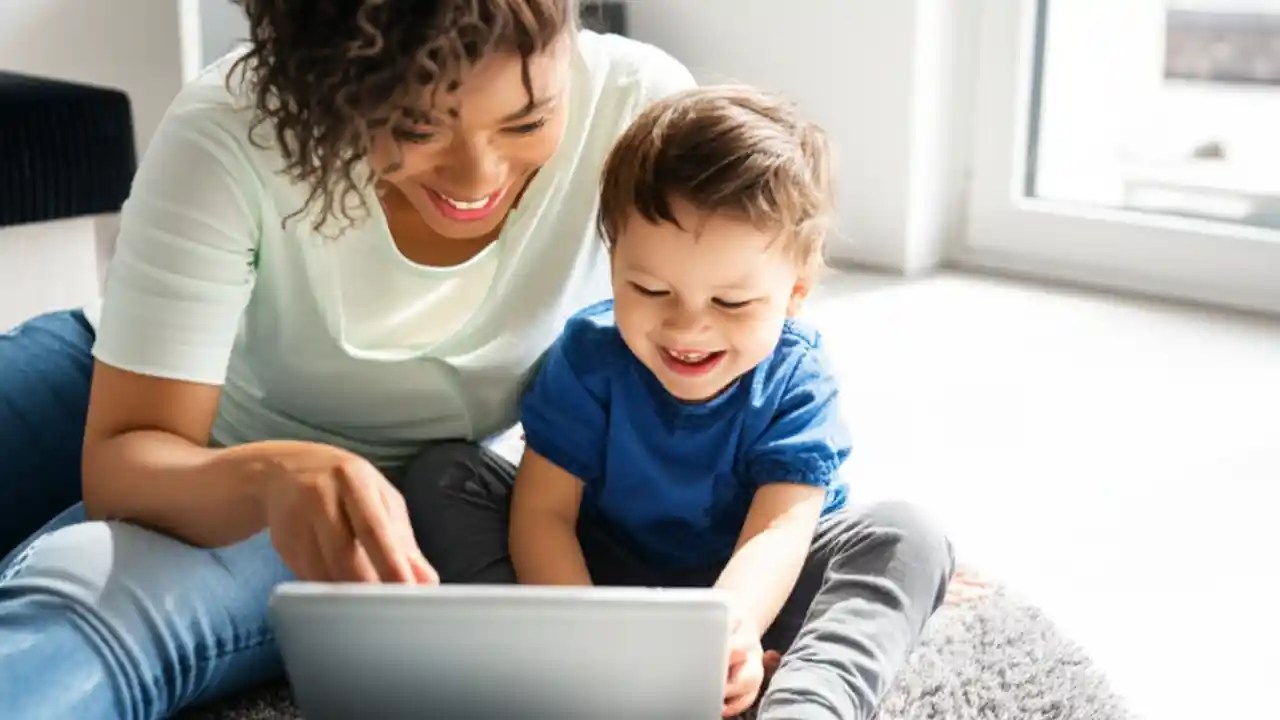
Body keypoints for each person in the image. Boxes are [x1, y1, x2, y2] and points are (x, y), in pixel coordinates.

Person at [0, 3, 952, 720]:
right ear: (328, 89)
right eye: (415, 126)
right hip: (162, 407)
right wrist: (276, 470)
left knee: (87, 603)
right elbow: (125, 456)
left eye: (527, 121)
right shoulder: (231, 130)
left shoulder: (637, 107)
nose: (477, 178)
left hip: (338, 493)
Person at [503, 86, 953, 719]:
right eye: (650, 288)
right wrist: (587, 634)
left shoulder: (797, 375)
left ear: (794, 293)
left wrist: (726, 634)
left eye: (731, 303)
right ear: (613, 270)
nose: (688, 328)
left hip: (760, 586)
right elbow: (544, 512)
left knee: (909, 536)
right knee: (447, 479)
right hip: (609, 577)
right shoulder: (588, 357)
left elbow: (779, 529)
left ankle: (809, 700)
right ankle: (533, 652)